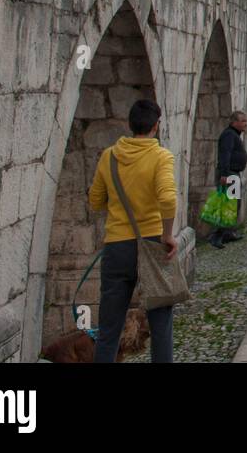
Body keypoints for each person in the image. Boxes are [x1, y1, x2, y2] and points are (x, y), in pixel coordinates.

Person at [87, 98, 177, 363]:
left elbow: (95, 201)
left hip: (117, 246)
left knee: (109, 327)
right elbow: (168, 199)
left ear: (130, 125)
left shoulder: (109, 156)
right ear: (156, 126)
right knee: (161, 325)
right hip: (152, 243)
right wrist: (168, 235)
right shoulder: (161, 156)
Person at [209, 110, 247, 248]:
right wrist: (224, 174)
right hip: (229, 174)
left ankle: (228, 233)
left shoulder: (233, 135)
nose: (246, 123)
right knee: (228, 206)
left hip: (233, 173)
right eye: (243, 121)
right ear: (234, 122)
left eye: (246, 120)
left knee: (233, 205)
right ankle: (217, 236)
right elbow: (225, 154)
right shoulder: (229, 135)